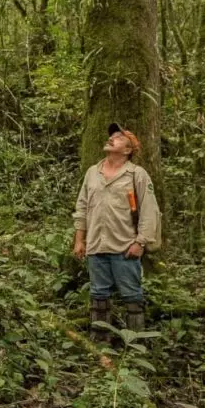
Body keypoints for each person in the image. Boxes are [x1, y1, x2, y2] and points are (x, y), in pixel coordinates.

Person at [73, 123, 160, 337]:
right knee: (98, 295)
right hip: (96, 245)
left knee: (132, 296)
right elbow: (82, 206)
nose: (112, 138)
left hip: (125, 246)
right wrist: (79, 240)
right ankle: (99, 342)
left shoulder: (136, 175)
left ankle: (135, 344)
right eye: (111, 135)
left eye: (119, 137)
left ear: (128, 150)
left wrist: (140, 242)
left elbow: (150, 210)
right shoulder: (93, 172)